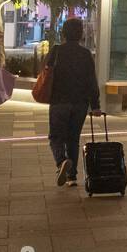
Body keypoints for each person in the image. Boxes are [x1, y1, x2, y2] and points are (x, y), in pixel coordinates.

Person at [46, 17, 102, 188]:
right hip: (80, 103)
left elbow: (46, 72)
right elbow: (91, 81)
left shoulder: (56, 51)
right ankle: (71, 177)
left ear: (63, 32)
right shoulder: (85, 54)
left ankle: (61, 161)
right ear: (80, 34)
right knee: (73, 138)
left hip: (59, 101)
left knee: (55, 136)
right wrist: (96, 105)